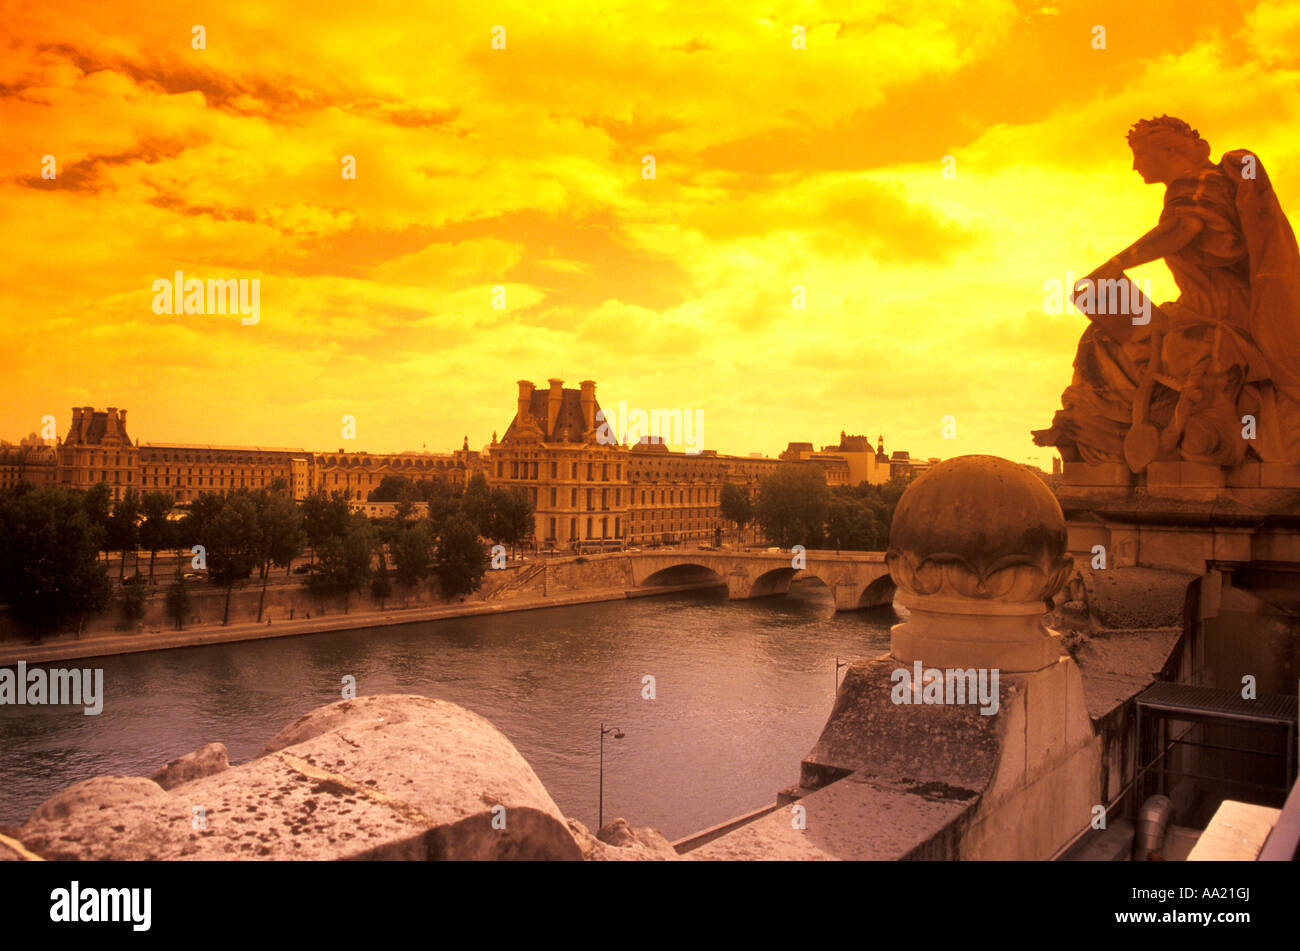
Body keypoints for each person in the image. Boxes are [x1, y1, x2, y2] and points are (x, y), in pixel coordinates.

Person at [1033, 116, 1300, 468]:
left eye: (1140, 154)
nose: (1134, 166)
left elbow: (1183, 227)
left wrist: (1117, 264)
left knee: (1102, 344)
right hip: (1195, 311)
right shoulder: (1196, 186)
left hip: (1226, 318)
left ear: (1168, 149)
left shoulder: (1202, 184)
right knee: (1099, 336)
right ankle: (1104, 442)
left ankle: (1106, 446)